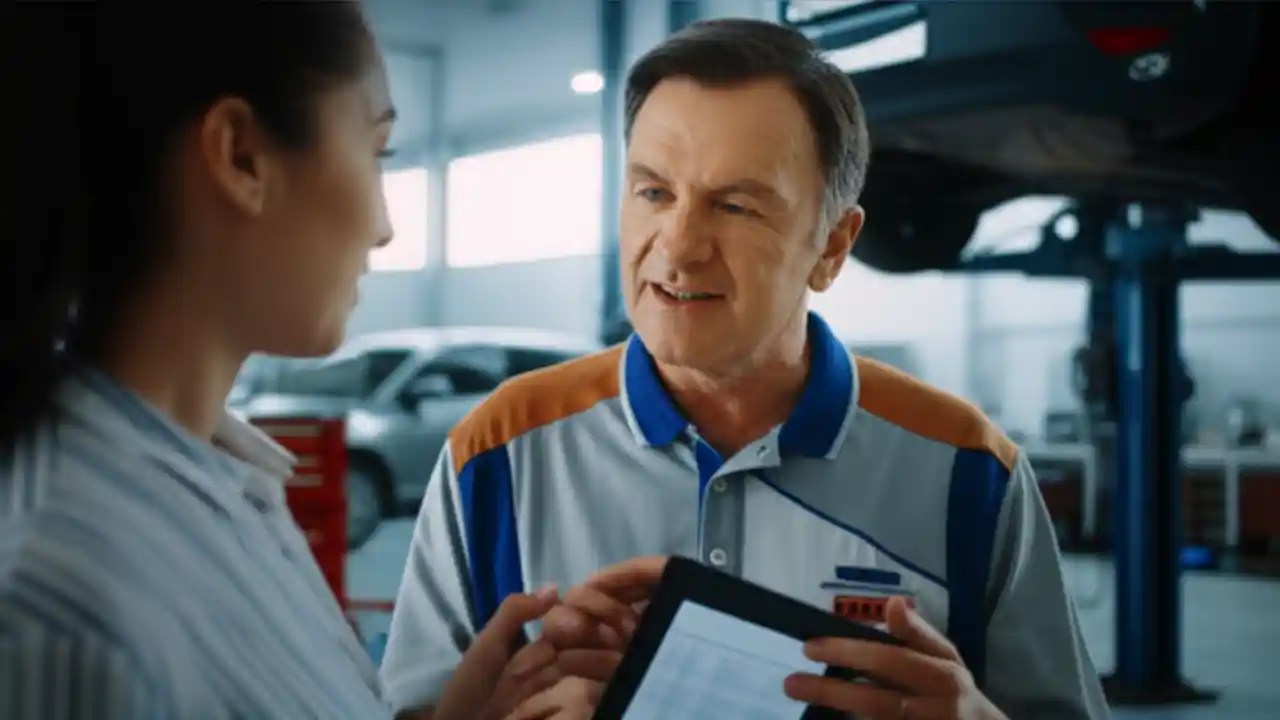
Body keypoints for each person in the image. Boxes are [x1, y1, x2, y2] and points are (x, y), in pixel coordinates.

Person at [382, 18, 1111, 720]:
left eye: (734, 205)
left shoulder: (964, 467)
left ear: (832, 245)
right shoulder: (501, 450)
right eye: (654, 193)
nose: (678, 246)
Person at [0, 3, 655, 718]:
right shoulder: (60, 607)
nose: (384, 225)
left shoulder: (226, 485)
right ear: (242, 157)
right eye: (379, 154)